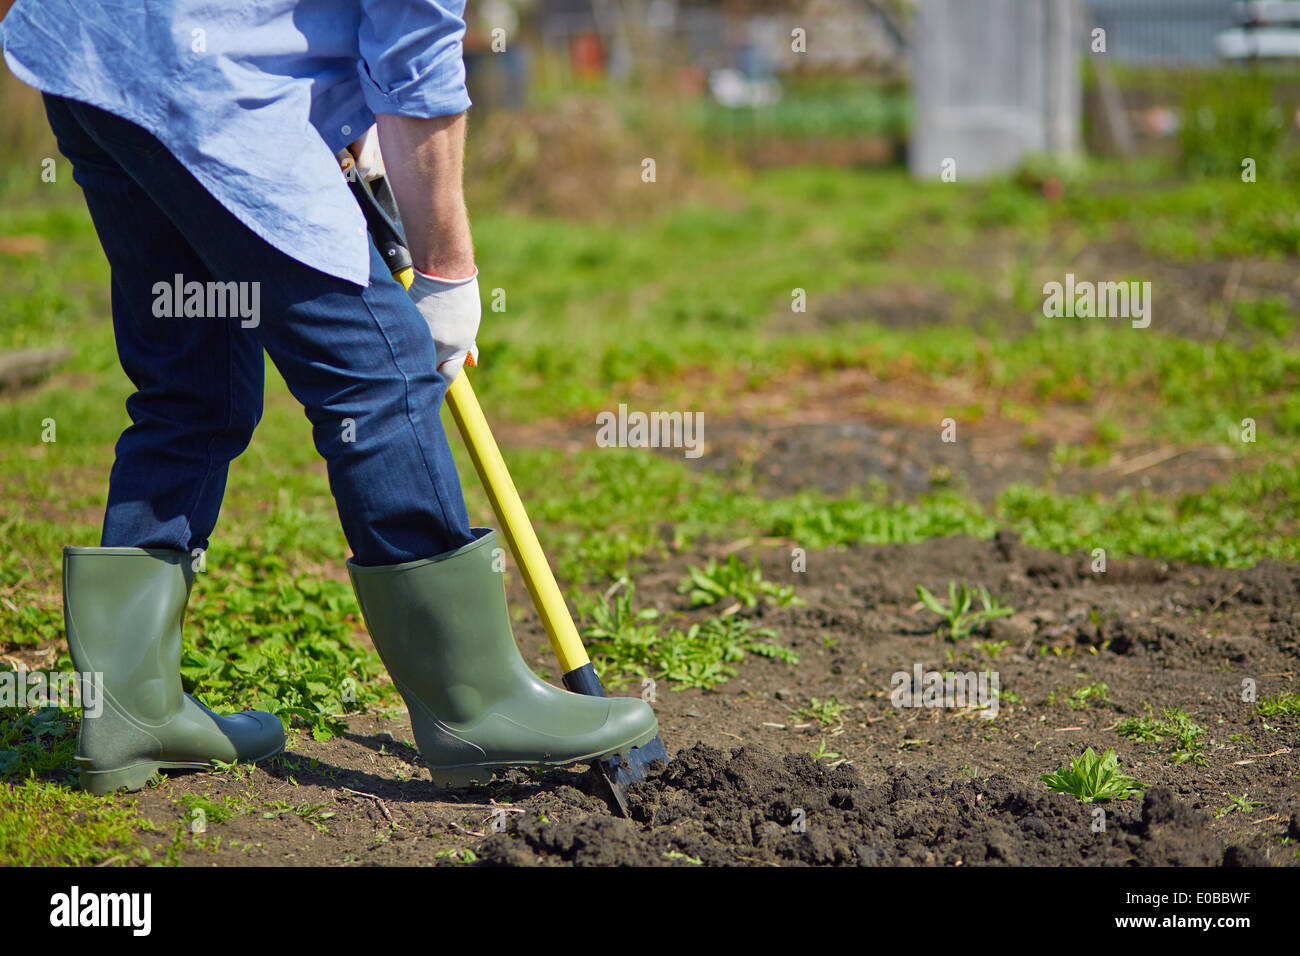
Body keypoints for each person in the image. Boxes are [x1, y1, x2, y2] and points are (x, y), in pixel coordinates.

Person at [0, 0, 658, 795]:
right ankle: (473, 705)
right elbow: (415, 50)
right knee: (380, 372)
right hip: (204, 78)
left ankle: (130, 710)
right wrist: (449, 271)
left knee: (190, 386)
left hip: (89, 50)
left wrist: (337, 107)